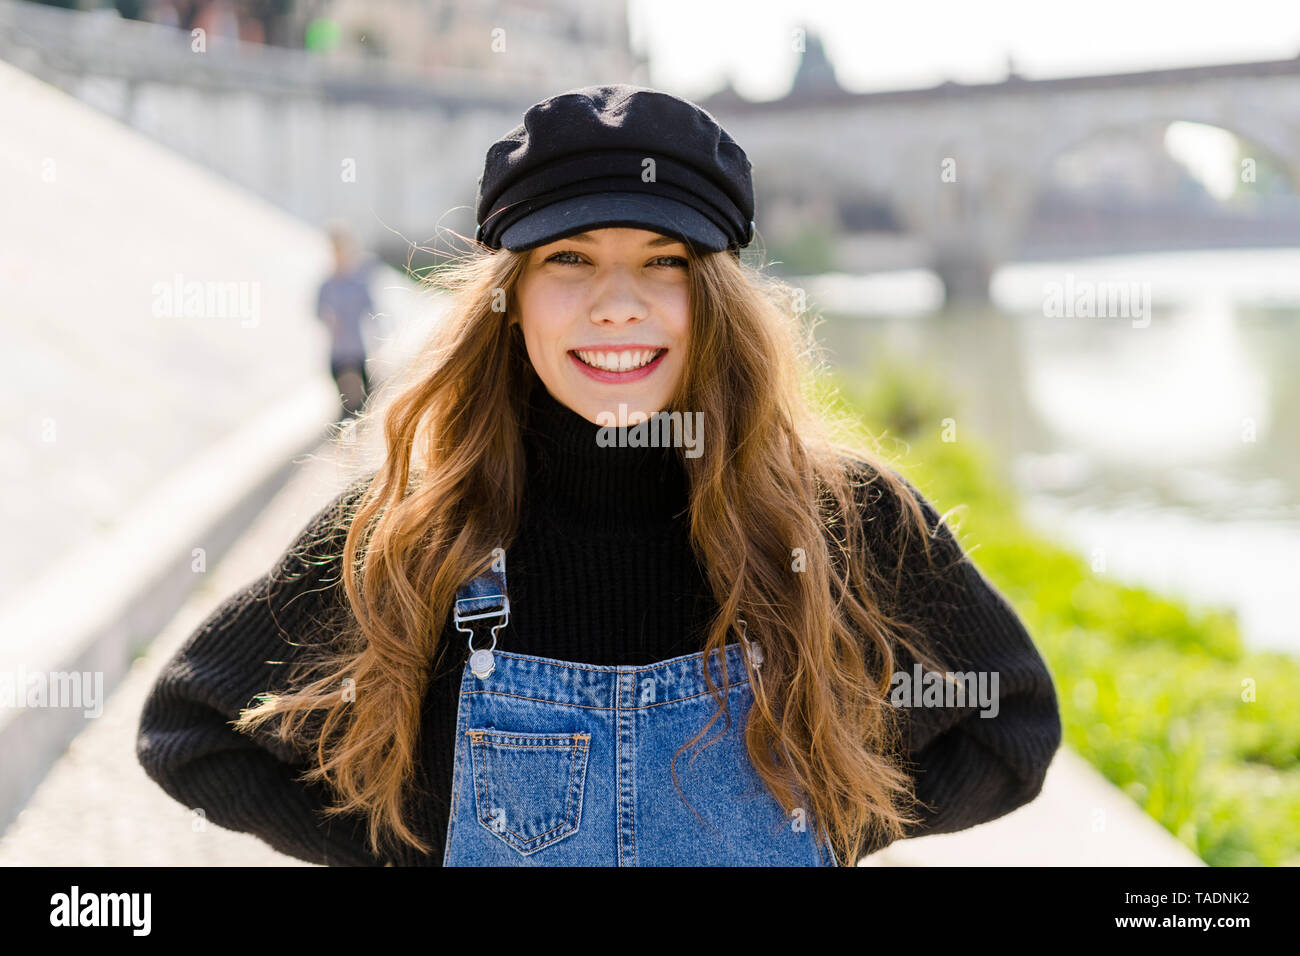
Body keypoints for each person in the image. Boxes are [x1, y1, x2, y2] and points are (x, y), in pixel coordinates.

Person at [136, 84, 1062, 867]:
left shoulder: (842, 518)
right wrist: (413, 848)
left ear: (715, 302)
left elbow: (1011, 721)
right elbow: (187, 726)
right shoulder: (413, 532)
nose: (617, 305)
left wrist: (830, 826)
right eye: (569, 260)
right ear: (510, 299)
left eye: (663, 263)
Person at [316, 223, 375, 420]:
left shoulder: (358, 283)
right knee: (343, 401)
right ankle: (345, 434)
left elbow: (371, 311)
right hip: (338, 348)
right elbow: (318, 311)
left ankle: (357, 432)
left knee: (365, 398)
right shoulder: (327, 284)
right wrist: (327, 317)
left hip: (356, 347)